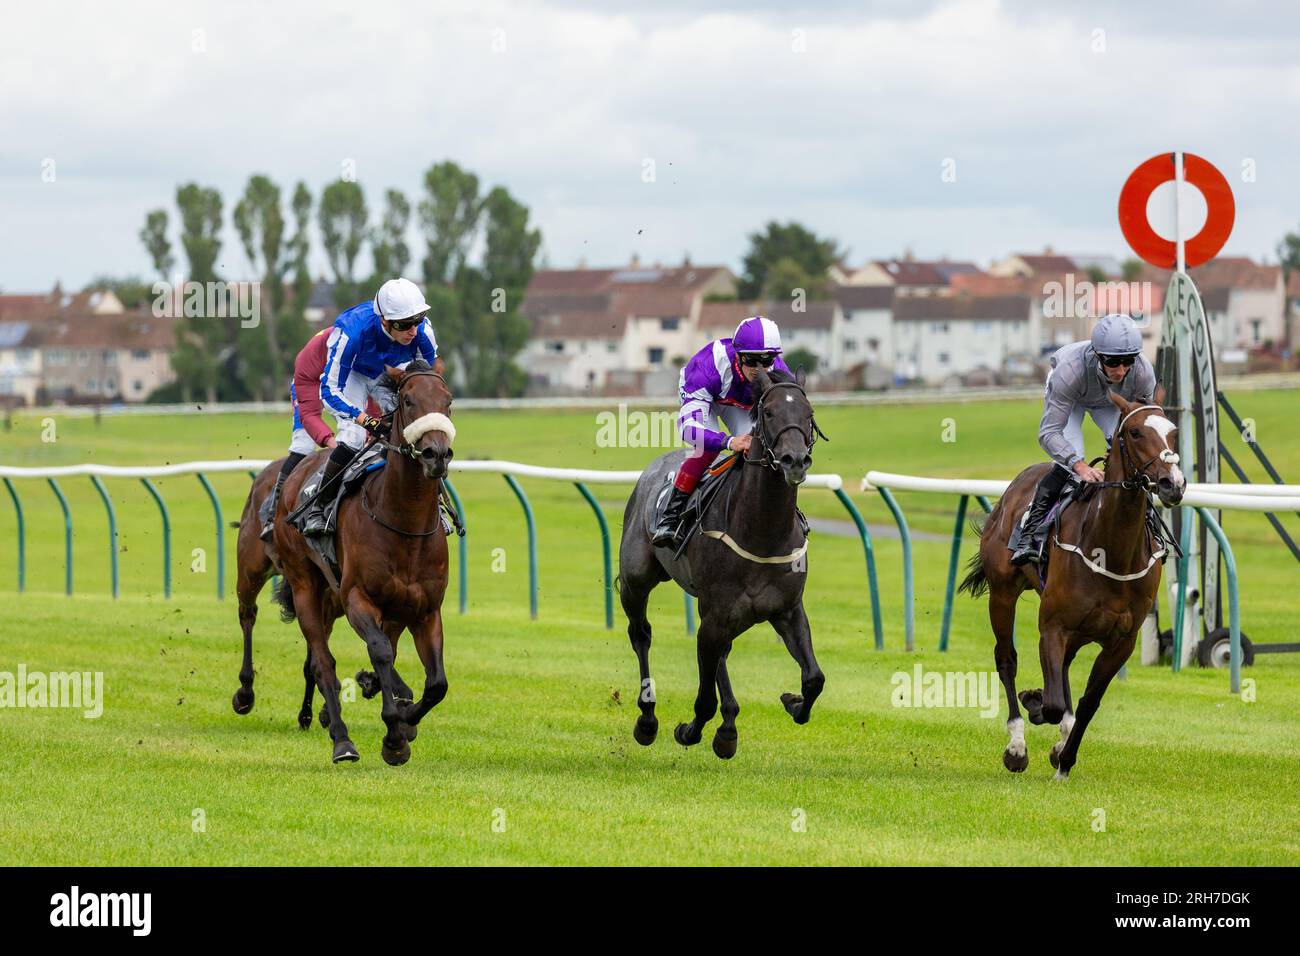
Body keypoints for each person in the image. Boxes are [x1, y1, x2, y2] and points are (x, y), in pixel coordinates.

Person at [298, 277, 442, 536]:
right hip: (353, 375)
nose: (413, 330)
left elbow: (427, 382)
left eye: (418, 320)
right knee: (353, 438)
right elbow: (329, 390)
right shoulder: (351, 332)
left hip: (389, 372)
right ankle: (320, 506)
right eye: (405, 324)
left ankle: (437, 505)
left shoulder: (423, 333)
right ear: (384, 321)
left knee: (419, 431)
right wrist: (365, 420)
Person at [1011, 312, 1156, 565]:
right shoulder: (1070, 372)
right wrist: (1079, 465)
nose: (1121, 370)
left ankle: (1151, 528)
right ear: (1099, 356)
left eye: (1128, 361)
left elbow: (1146, 426)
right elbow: (1049, 433)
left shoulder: (1142, 372)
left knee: (1131, 452)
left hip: (1109, 402)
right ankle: (1029, 535)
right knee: (1070, 466)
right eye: (1113, 362)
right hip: (1073, 398)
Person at [649, 315, 793, 549]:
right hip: (708, 394)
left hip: (740, 404)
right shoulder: (707, 366)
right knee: (707, 448)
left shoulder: (780, 372)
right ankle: (670, 510)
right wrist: (729, 441)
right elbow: (689, 430)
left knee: (759, 449)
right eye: (752, 361)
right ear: (738, 355)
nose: (760, 370)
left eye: (767, 361)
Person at [258, 329, 381, 541]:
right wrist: (334, 444)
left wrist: (374, 428)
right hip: (312, 380)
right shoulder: (309, 362)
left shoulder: (361, 353)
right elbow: (309, 417)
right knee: (304, 446)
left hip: (345, 376)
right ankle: (272, 513)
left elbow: (374, 405)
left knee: (363, 435)